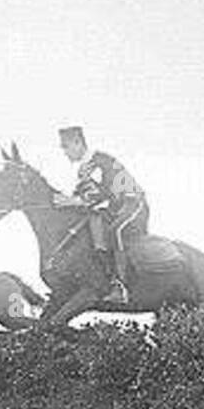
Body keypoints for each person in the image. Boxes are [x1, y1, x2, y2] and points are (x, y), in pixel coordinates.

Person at [55, 126, 148, 304]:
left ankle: (120, 287)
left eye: (65, 147)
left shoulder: (100, 162)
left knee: (115, 231)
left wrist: (73, 201)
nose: (64, 152)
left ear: (78, 143)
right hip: (115, 207)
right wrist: (66, 201)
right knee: (91, 225)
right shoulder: (84, 168)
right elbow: (84, 195)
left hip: (133, 204)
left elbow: (99, 194)